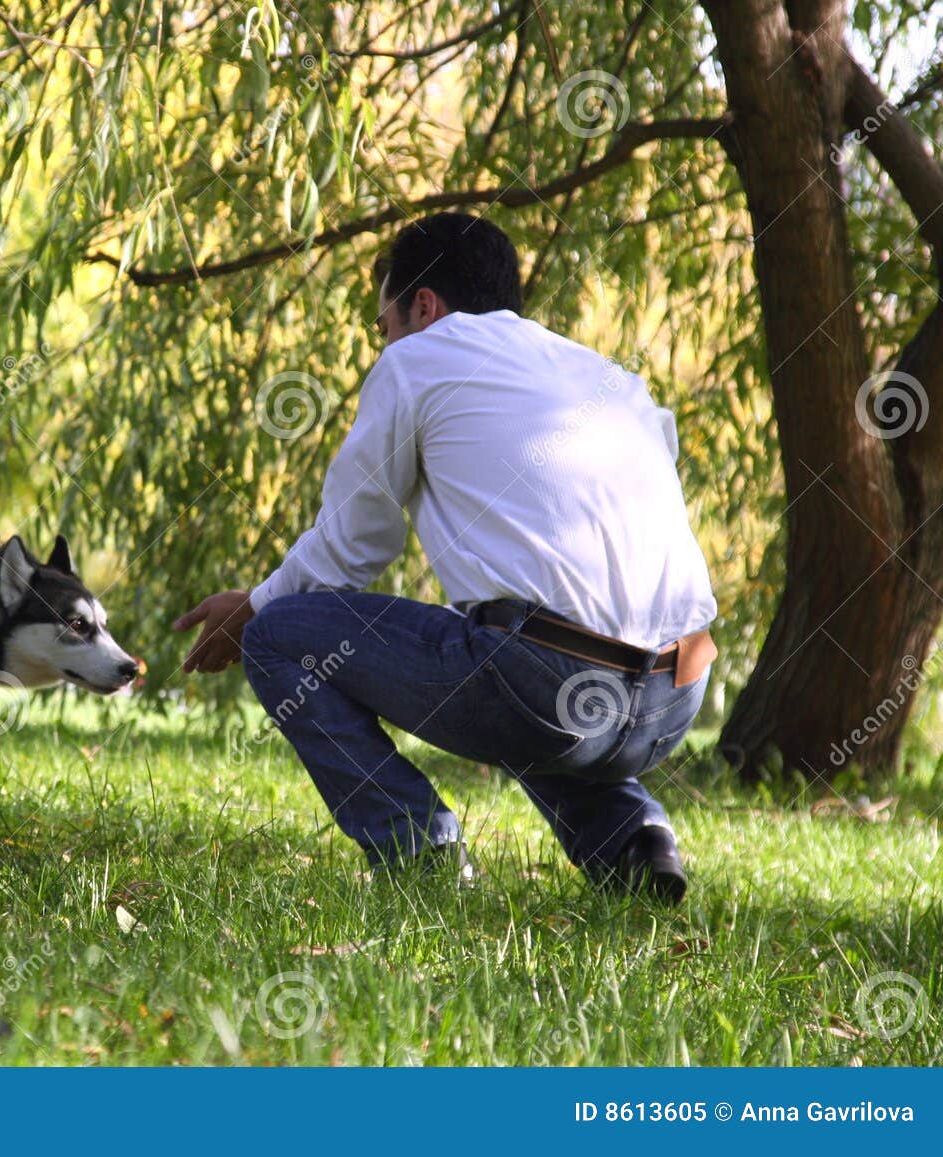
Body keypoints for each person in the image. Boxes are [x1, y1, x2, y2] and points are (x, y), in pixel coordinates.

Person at [173, 212, 717, 904]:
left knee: (283, 634)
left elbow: (353, 542)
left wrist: (250, 608)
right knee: (519, 644)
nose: (386, 344)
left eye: (385, 324)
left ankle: (416, 850)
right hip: (677, 694)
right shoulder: (611, 377)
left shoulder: (418, 359)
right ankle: (633, 841)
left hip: (549, 688)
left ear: (422, 306)